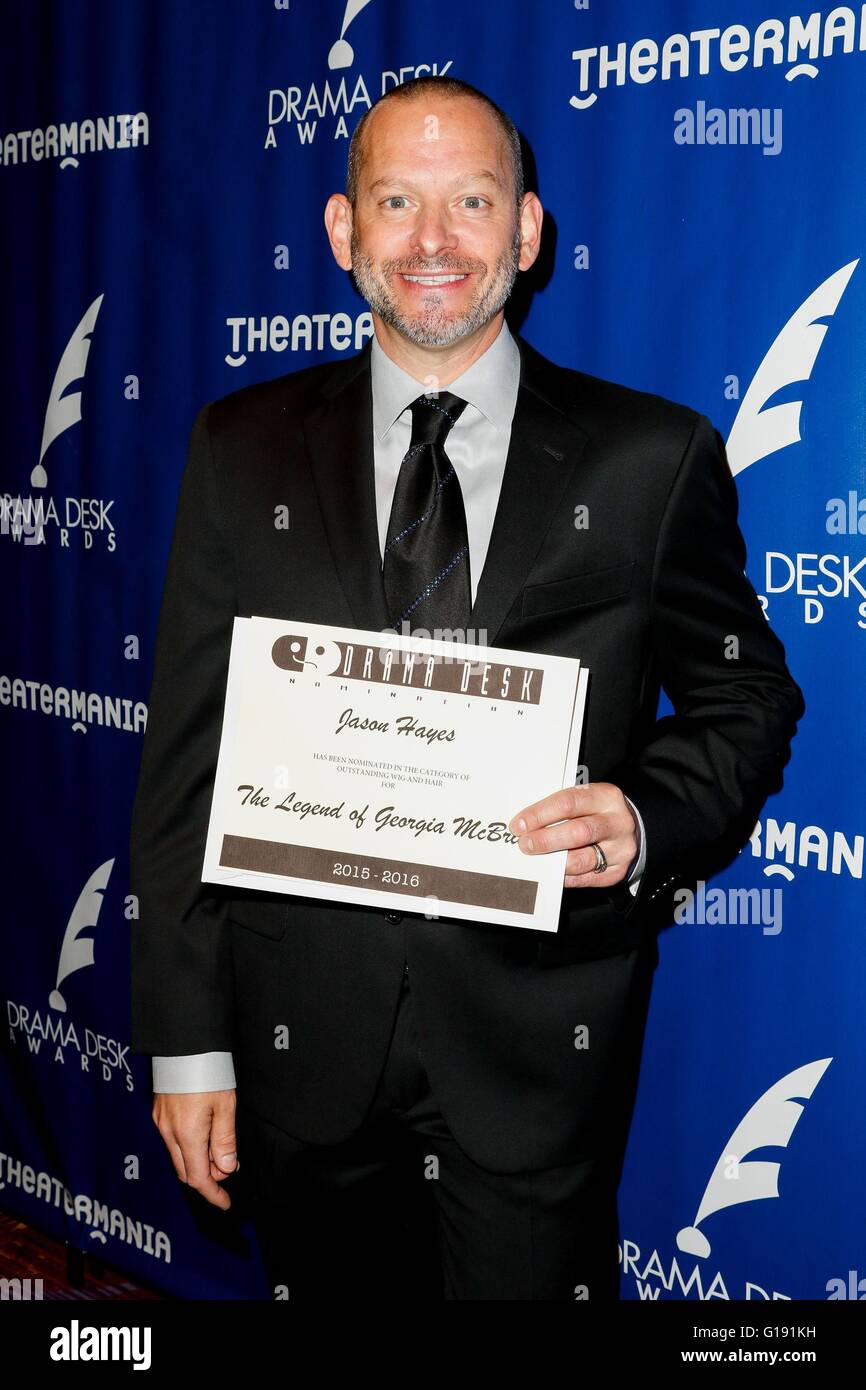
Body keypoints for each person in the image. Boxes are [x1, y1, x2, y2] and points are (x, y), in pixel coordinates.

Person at [129, 75, 805, 1301]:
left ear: (527, 230)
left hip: (536, 1044)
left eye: (471, 202)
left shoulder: (650, 460)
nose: (432, 242)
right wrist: (186, 1044)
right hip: (298, 1045)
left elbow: (743, 695)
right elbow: (186, 759)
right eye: (396, 201)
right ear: (344, 233)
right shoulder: (238, 449)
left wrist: (644, 815)